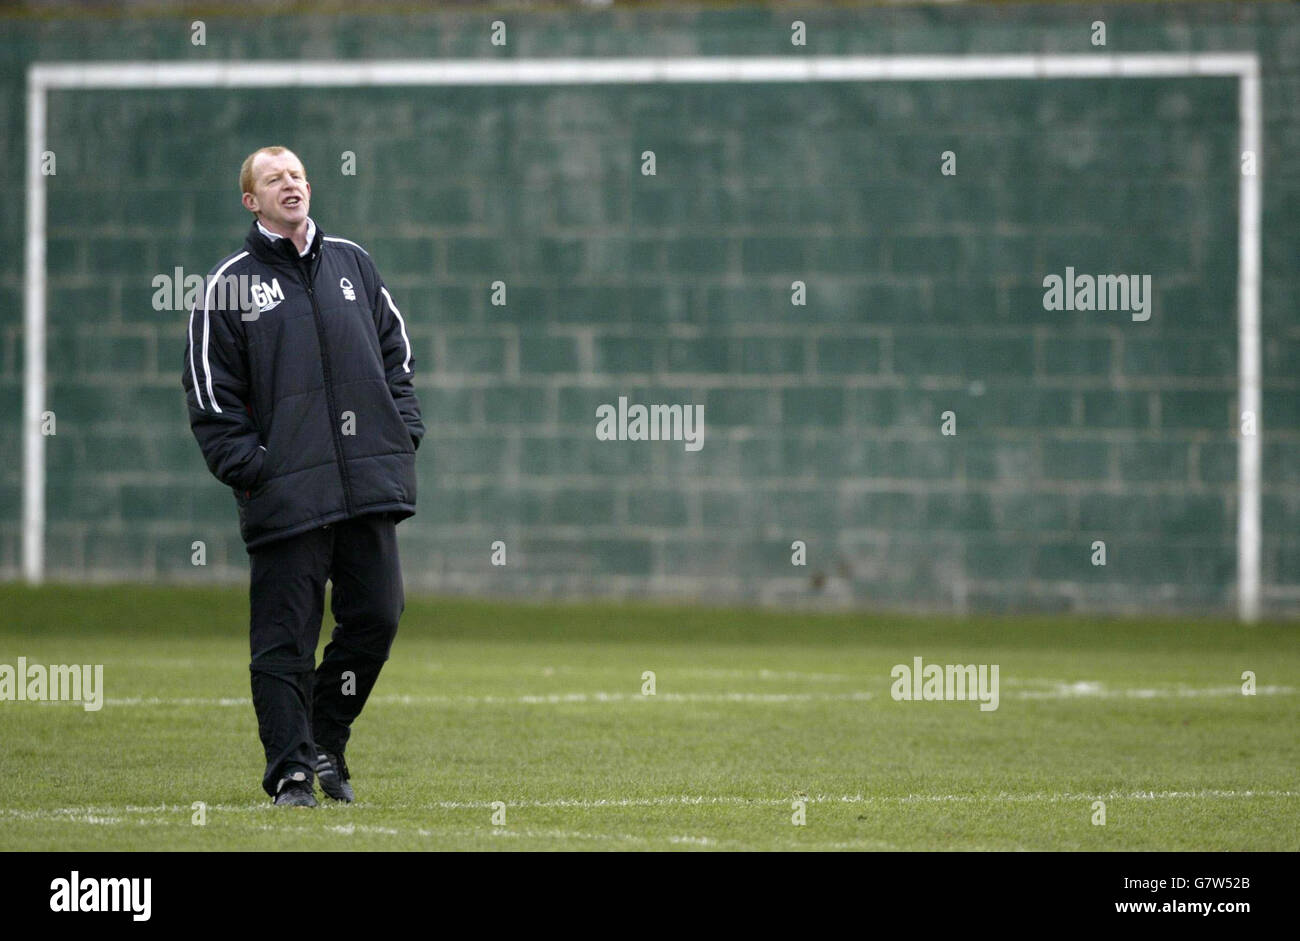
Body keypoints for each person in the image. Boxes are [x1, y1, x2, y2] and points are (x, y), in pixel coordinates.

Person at [181, 146, 424, 807]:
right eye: (272, 178)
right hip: (288, 495)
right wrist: (259, 470)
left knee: (377, 616)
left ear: (309, 187)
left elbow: (397, 358)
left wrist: (399, 435)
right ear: (251, 201)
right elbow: (210, 396)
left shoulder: (354, 263)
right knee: (285, 638)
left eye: (295, 174)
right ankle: (290, 770)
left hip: (366, 487)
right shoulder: (226, 286)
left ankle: (324, 735)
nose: (288, 183)